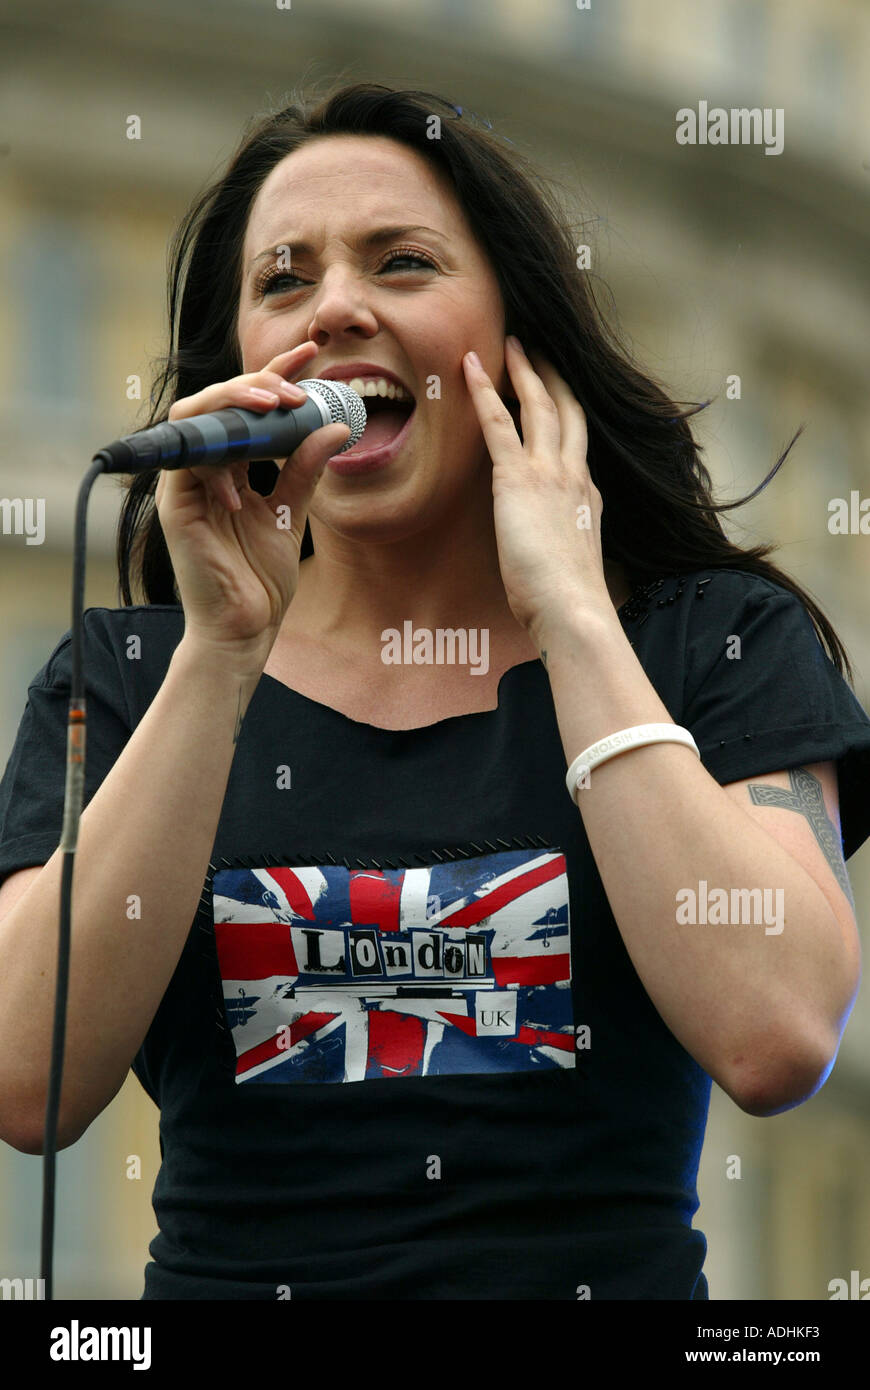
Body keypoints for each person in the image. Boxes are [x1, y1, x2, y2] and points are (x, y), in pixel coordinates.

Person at [0, 81, 868, 1302]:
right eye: (284, 281)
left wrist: (571, 608)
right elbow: (26, 1080)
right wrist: (219, 655)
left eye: (400, 263)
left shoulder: (705, 644)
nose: (340, 305)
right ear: (243, 366)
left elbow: (778, 1033)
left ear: (512, 333)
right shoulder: (135, 677)